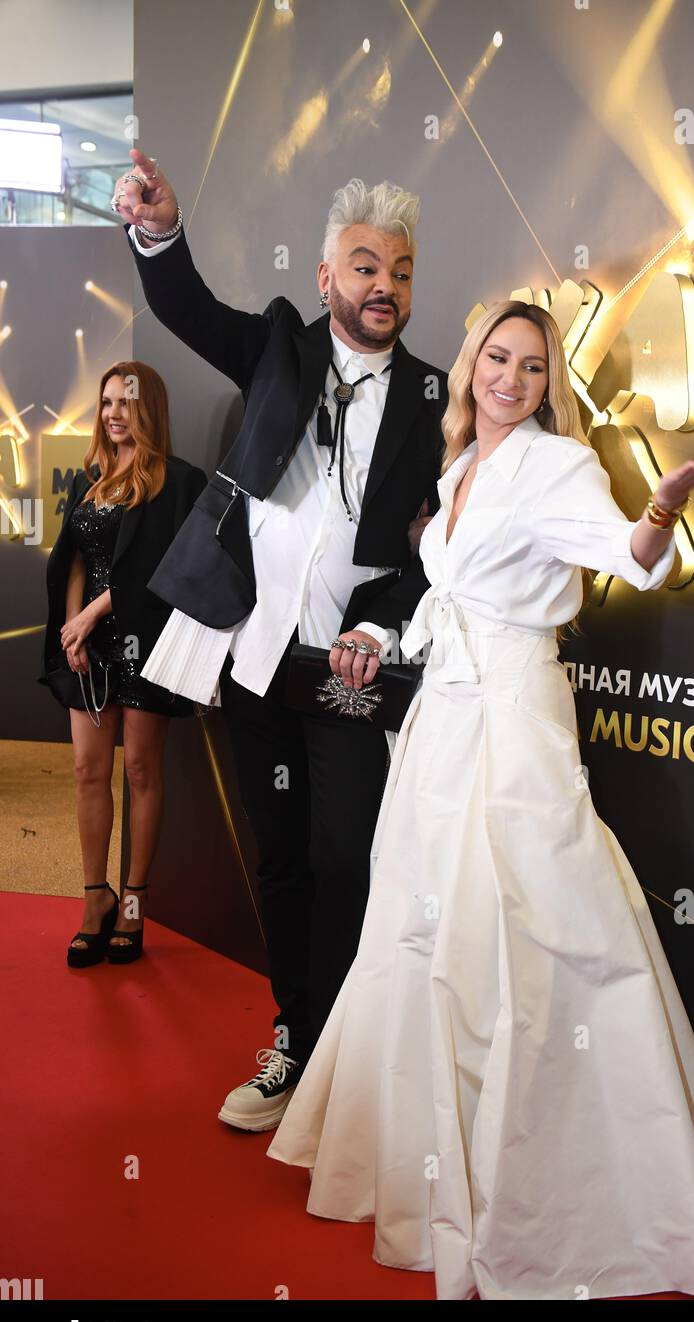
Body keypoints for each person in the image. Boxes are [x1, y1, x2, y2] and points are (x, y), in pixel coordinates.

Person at [267, 300, 694, 1301]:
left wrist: (658, 509)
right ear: (471, 363)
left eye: (531, 367)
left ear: (545, 385)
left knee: (533, 933)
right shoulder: (455, 474)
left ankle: (554, 1198)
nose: (510, 378)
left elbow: (630, 556)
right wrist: (383, 639)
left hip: (515, 720)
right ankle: (417, 1164)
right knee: (416, 932)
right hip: (439, 722)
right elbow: (443, 600)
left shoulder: (554, 465)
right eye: (496, 357)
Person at [111, 150, 448, 1131]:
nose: (383, 284)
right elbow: (185, 307)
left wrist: (379, 630)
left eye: (399, 269)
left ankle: (354, 1050)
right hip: (253, 656)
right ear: (326, 277)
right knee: (283, 860)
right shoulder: (276, 350)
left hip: (345, 675)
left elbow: (434, 552)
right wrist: (158, 233)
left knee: (349, 858)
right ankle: (296, 1042)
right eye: (364, 265)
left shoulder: (436, 399)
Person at [39, 361, 207, 967]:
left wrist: (92, 618)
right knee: (88, 770)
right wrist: (71, 627)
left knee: (139, 769)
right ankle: (95, 899)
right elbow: (76, 559)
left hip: (144, 642)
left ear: (148, 409)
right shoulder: (92, 479)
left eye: (125, 403)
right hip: (88, 647)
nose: (112, 413)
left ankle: (133, 902)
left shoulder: (176, 482)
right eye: (106, 401)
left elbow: (156, 568)